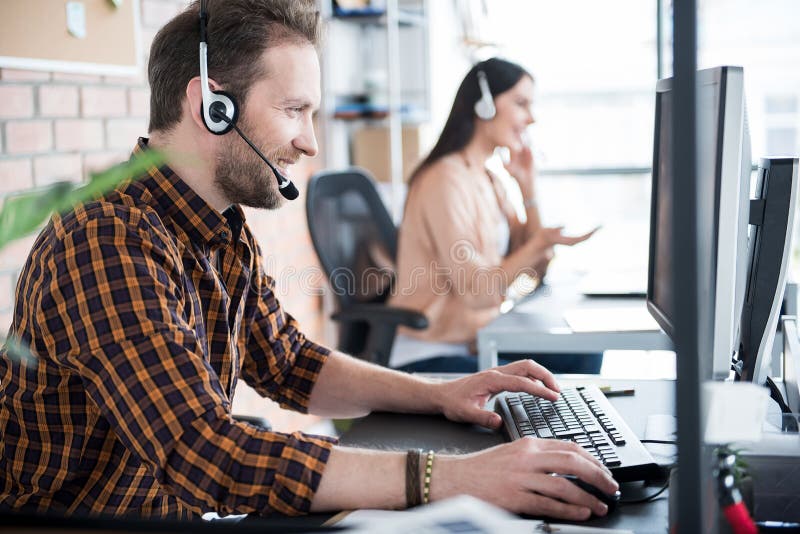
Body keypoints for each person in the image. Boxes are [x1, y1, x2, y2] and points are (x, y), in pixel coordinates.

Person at [0, 0, 616, 521]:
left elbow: (289, 363)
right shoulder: (108, 240)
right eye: (294, 110)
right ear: (212, 104)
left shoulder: (219, 228)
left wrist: (439, 395)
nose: (310, 141)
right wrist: (454, 478)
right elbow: (205, 453)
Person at [389, 58, 601, 374]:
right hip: (433, 350)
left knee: (585, 353)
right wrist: (540, 242)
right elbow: (478, 293)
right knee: (546, 380)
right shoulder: (444, 180)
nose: (531, 118)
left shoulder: (488, 179)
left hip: (479, 338)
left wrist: (528, 187)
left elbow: (534, 271)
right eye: (521, 104)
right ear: (485, 106)